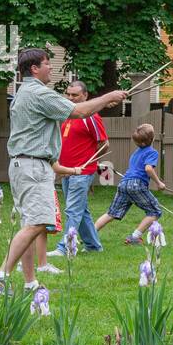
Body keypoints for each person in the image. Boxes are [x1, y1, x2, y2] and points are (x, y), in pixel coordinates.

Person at [0, 47, 126, 294]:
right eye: (46, 63)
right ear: (34, 68)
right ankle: (1, 275)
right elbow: (78, 111)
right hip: (33, 167)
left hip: (26, 165)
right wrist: (109, 97)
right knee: (38, 223)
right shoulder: (37, 93)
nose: (50, 68)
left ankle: (30, 283)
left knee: (31, 224)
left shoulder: (26, 92)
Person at [46, 80, 108, 258]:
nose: (71, 98)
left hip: (82, 172)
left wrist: (89, 164)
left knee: (72, 210)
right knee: (81, 210)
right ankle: (94, 246)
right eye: (69, 94)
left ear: (85, 96)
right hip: (67, 171)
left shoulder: (91, 117)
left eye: (75, 95)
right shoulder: (68, 115)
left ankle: (64, 247)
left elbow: (104, 144)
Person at [95, 124, 167, 244]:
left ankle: (90, 233)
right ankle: (135, 237)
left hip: (124, 183)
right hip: (136, 185)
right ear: (152, 139)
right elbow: (148, 169)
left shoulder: (135, 154)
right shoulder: (152, 152)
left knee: (111, 213)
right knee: (155, 212)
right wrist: (159, 183)